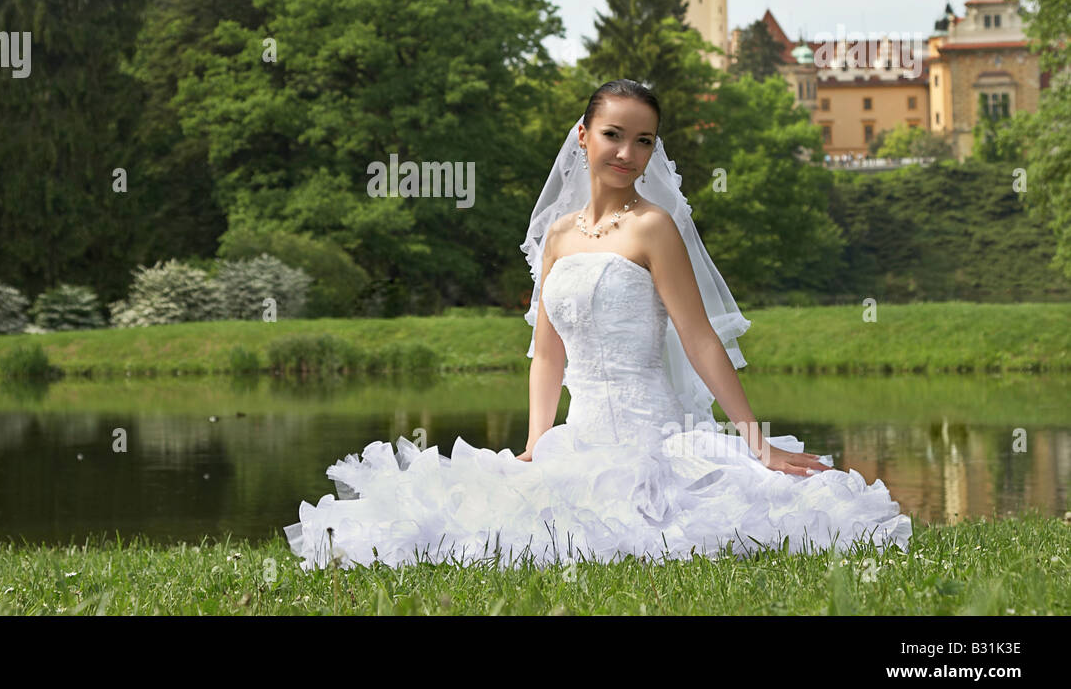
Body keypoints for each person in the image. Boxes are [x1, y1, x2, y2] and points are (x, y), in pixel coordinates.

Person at [282, 80, 912, 571]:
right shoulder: (556, 237)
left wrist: (755, 439)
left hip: (651, 433)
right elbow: (547, 353)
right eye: (614, 135)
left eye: (645, 142)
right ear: (583, 136)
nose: (628, 154)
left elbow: (697, 337)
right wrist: (535, 441)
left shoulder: (653, 228)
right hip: (577, 435)